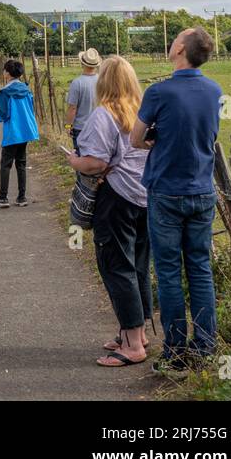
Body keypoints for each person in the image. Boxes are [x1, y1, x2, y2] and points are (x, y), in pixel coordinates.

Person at [132, 27, 222, 373]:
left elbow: (135, 139)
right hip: (201, 190)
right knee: (200, 269)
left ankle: (176, 350)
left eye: (176, 38)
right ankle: (206, 347)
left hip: (166, 191)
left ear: (181, 49)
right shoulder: (214, 90)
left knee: (168, 272)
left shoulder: (159, 92)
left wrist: (154, 139)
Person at [65, 56, 151, 367]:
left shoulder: (104, 115)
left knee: (116, 266)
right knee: (138, 265)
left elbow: (96, 162)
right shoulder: (145, 112)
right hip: (145, 195)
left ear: (104, 82)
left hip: (116, 196)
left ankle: (131, 345)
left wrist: (74, 161)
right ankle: (137, 332)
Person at [0, 59, 39, 207]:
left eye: (4, 70)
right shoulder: (27, 89)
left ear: (7, 73)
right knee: (21, 163)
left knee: (6, 164)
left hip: (13, 132)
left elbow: (3, 115)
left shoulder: (4, 92)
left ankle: (3, 197)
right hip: (26, 130)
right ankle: (21, 198)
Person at [66, 48, 101, 150]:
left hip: (81, 128)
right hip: (99, 126)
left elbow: (72, 108)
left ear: (83, 63)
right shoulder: (102, 81)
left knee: (81, 159)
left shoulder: (77, 83)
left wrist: (68, 126)